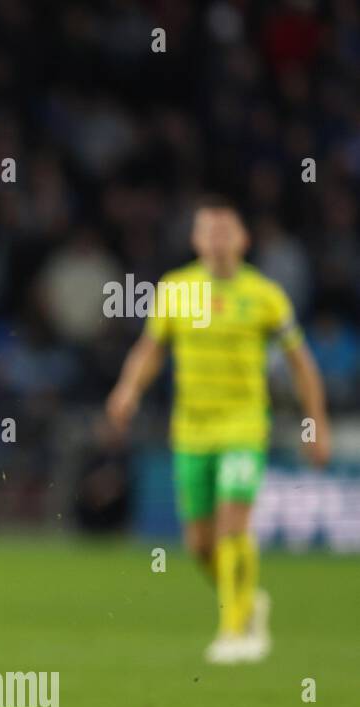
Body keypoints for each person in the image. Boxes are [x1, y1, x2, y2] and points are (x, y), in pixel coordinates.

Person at [106, 196, 331, 664]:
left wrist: (316, 424)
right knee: (199, 544)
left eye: (226, 231)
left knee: (234, 522)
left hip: (245, 425)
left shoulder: (265, 295)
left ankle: (236, 630)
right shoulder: (176, 289)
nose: (217, 240)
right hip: (191, 429)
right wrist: (128, 390)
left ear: (244, 239)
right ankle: (248, 600)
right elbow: (151, 349)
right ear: (195, 239)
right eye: (208, 231)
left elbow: (301, 365)